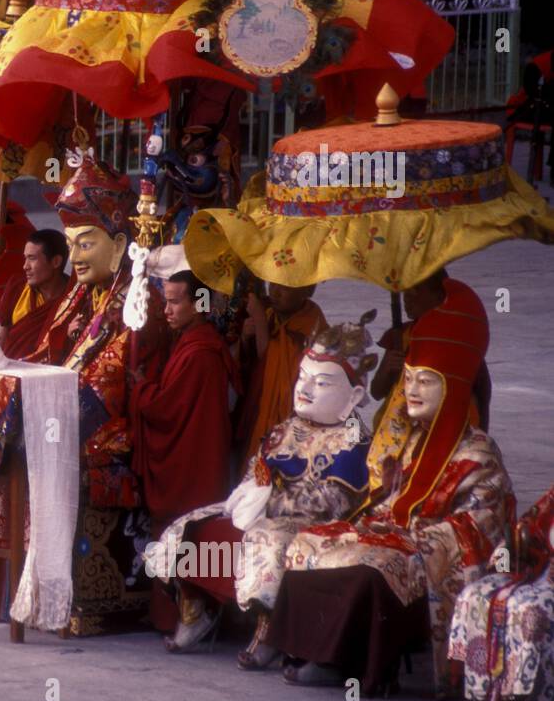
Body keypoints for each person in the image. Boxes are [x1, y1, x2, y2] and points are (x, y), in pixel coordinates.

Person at [269, 279, 514, 698]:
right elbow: (385, 498)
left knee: (371, 568)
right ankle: (301, 649)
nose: (411, 390)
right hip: (394, 533)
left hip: (429, 550)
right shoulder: (409, 441)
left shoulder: (478, 453)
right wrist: (377, 517)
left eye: (426, 381)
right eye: (410, 378)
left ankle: (347, 663)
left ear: (452, 387)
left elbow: (483, 528)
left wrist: (414, 536)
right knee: (308, 544)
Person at [145, 313, 378, 658]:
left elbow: (335, 503)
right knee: (195, 525)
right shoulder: (288, 428)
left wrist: (272, 499)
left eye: (321, 383)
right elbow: (254, 472)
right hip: (263, 512)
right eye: (302, 378)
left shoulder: (353, 439)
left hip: (310, 524)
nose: (304, 390)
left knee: (268, 539)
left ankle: (268, 628)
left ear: (354, 395)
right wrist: (252, 490)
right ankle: (196, 608)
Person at [22, 154, 168, 635]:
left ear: (120, 244)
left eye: (86, 243)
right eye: (70, 245)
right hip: (79, 411)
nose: (76, 257)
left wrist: (53, 406)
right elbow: (49, 350)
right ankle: (39, 582)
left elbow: (108, 379)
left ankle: (96, 596)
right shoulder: (85, 293)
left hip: (116, 428)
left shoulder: (138, 299)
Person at [130, 270, 239, 632]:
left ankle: (190, 617)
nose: (167, 310)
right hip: (197, 456)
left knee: (190, 529)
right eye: (166, 302)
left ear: (200, 304)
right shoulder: (192, 342)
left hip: (194, 461)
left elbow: (166, 407)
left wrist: (141, 388)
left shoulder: (201, 353)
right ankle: (176, 615)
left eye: (175, 302)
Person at [450, 484, 554, 701]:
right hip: (539, 570)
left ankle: (527, 697)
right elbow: (531, 522)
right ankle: (493, 686)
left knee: (531, 609)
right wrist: (510, 550)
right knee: (475, 595)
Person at [370, 269, 492, 432]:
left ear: (439, 296)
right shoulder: (400, 336)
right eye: (405, 291)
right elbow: (376, 392)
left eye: (415, 291)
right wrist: (387, 368)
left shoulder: (457, 340)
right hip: (394, 431)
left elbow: (481, 393)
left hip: (441, 429)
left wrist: (479, 433)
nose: (407, 298)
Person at [234, 281, 325, 470]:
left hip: (289, 421)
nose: (275, 292)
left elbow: (272, 360)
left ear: (308, 289)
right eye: (272, 284)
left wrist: (259, 320)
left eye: (284, 286)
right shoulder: (270, 316)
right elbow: (252, 366)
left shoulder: (313, 327)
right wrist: (246, 337)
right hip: (258, 410)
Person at [0, 229, 71, 360]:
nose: (25, 266)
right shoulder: (17, 287)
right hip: (11, 366)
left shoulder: (74, 296)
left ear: (56, 262)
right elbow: (1, 337)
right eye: (25, 258)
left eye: (32, 258)